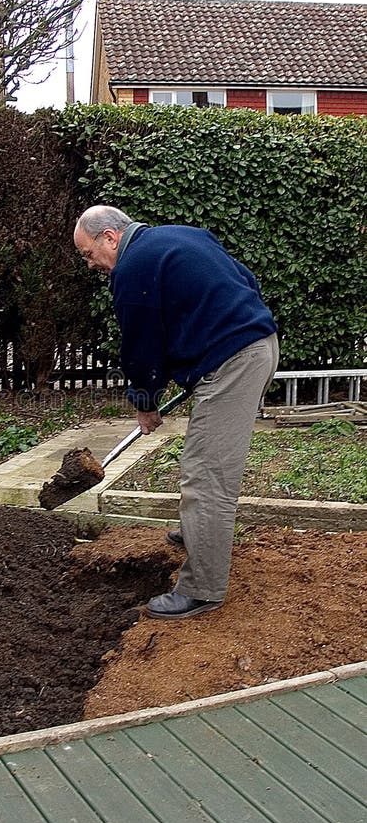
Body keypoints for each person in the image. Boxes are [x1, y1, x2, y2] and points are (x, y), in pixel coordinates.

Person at [74, 205, 279, 620]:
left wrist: (145, 402)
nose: (90, 264)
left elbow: (142, 346)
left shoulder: (132, 270)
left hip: (235, 361)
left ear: (110, 237)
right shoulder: (181, 235)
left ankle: (202, 589)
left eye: (88, 253)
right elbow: (245, 280)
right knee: (203, 454)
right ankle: (196, 533)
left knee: (207, 473)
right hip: (253, 345)